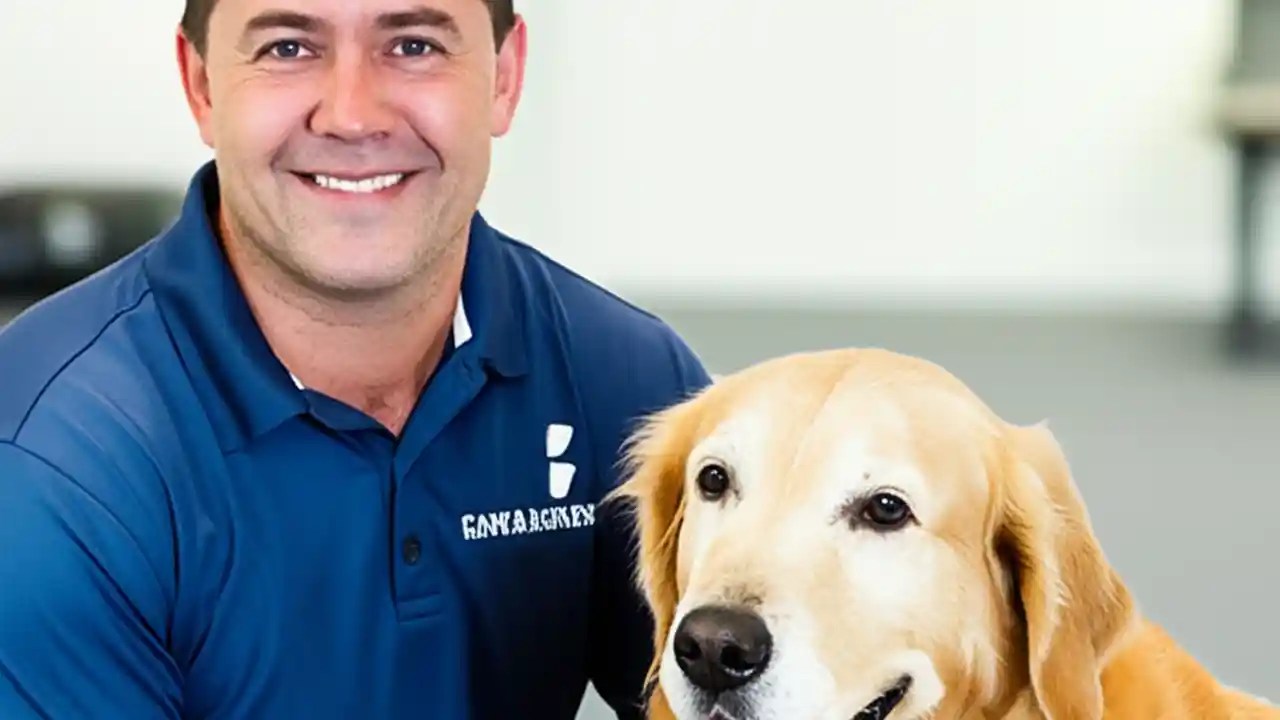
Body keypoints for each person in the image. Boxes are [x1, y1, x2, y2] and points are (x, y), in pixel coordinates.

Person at [0, 1, 712, 718]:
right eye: (286, 48)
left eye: (412, 44)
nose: (352, 115)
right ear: (202, 86)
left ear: (503, 76)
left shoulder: (628, 385)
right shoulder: (54, 458)